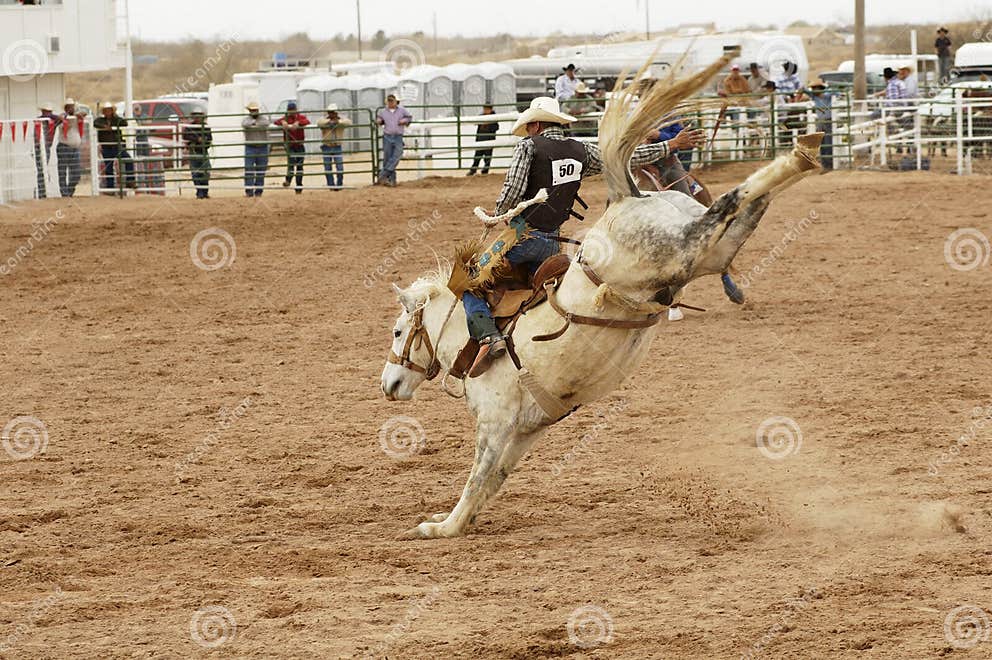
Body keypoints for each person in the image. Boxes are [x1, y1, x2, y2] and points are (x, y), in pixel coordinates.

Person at [462, 96, 705, 372]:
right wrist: (671, 145)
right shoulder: (580, 150)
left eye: (529, 126)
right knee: (538, 293)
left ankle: (488, 337)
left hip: (522, 237)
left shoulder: (529, 147)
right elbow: (622, 158)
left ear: (536, 124)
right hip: (553, 242)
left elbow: (511, 195)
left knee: (467, 281)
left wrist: (498, 214)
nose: (528, 130)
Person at [93, 102, 135, 194]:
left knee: (128, 160)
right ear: (104, 112)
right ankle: (110, 188)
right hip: (107, 147)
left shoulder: (117, 120)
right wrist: (105, 127)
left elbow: (124, 123)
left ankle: (130, 181)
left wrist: (113, 125)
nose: (108, 112)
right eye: (106, 110)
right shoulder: (100, 120)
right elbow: (95, 123)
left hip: (117, 146)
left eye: (109, 110)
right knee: (108, 168)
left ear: (112, 111)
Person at [375, 94, 412, 187]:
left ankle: (383, 175)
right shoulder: (383, 111)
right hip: (387, 135)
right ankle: (391, 180)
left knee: (397, 154)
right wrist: (378, 121)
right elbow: (379, 119)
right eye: (389, 101)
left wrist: (404, 121)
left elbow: (409, 117)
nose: (390, 102)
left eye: (392, 100)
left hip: (398, 135)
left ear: (396, 102)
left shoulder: (402, 110)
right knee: (388, 157)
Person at [275, 101, 310, 194]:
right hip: (290, 145)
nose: (292, 112)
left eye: (293, 110)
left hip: (299, 144)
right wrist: (282, 122)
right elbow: (276, 122)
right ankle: (289, 180)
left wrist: (298, 123)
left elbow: (307, 121)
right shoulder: (285, 118)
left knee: (299, 166)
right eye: (290, 110)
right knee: (292, 162)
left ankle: (298, 186)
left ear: (296, 110)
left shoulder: (300, 117)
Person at [316, 103, 352, 189]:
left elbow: (348, 122)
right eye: (330, 112)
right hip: (327, 146)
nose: (331, 114)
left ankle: (339, 184)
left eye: (332, 112)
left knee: (340, 167)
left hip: (337, 145)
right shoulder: (324, 120)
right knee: (328, 167)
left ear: (336, 113)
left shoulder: (341, 120)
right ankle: (331, 185)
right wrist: (329, 122)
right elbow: (319, 123)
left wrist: (338, 122)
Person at [56, 98, 85, 197]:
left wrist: (76, 115)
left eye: (72, 106)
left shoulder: (77, 116)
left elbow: (84, 113)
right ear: (65, 108)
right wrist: (64, 119)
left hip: (74, 147)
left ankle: (68, 191)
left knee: (76, 173)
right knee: (63, 171)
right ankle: (65, 193)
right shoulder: (62, 118)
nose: (70, 108)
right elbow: (60, 123)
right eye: (68, 107)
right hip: (64, 146)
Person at [242, 102, 271, 197]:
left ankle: (258, 191)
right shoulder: (246, 119)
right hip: (251, 147)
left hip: (262, 147)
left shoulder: (263, 119)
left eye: (255, 110)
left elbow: (266, 123)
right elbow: (245, 124)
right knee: (249, 169)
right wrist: (255, 124)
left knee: (261, 171)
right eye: (252, 110)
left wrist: (254, 124)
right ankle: (249, 191)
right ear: (249, 111)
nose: (254, 112)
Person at [183, 109, 212, 199]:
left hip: (203, 152)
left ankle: (204, 191)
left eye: (199, 115)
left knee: (205, 173)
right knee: (195, 173)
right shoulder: (189, 127)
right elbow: (185, 135)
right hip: (194, 152)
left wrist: (204, 141)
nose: (197, 117)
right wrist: (197, 140)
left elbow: (209, 138)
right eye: (196, 115)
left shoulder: (205, 127)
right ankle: (199, 192)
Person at [807, 79, 835, 170]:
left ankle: (829, 165)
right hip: (821, 121)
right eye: (813, 88)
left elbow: (837, 92)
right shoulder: (816, 97)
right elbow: (805, 91)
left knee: (828, 143)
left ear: (820, 88)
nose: (813, 90)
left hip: (827, 121)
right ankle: (825, 165)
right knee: (823, 144)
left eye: (815, 88)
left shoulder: (827, 96)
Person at [466, 104, 498, 175]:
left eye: (486, 109)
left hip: (489, 139)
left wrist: (488, 123)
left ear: (490, 110)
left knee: (487, 156)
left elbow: (496, 127)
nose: (485, 111)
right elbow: (476, 123)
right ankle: (473, 170)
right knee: (477, 156)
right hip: (481, 139)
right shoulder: (481, 116)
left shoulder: (494, 117)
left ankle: (485, 170)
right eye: (484, 109)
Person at [33, 103, 56, 199]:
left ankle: (43, 190)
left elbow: (61, 118)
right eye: (47, 111)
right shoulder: (39, 120)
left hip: (47, 147)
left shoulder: (53, 120)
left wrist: (51, 116)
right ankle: (41, 191)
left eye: (50, 112)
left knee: (44, 169)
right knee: (41, 169)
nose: (48, 113)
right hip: (39, 148)